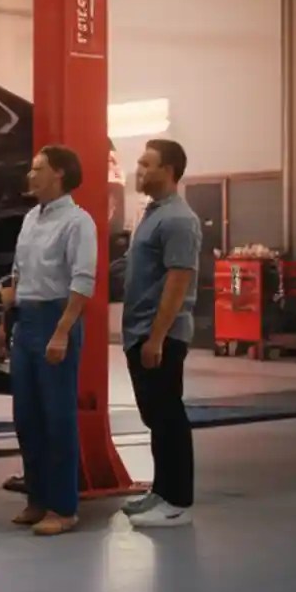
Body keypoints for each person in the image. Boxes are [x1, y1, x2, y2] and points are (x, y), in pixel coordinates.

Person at [0, 145, 97, 537]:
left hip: (56, 318)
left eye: (38, 168)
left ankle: (63, 507)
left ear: (60, 175)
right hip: (27, 321)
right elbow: (18, 276)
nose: (31, 175)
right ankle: (36, 499)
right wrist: (4, 326)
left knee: (57, 418)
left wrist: (62, 332)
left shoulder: (78, 223)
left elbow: (83, 282)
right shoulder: (31, 219)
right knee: (27, 417)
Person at [120, 138, 201, 528]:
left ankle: (178, 503)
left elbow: (177, 282)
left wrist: (156, 337)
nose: (138, 169)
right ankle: (162, 491)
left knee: (169, 416)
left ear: (167, 171)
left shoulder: (178, 220)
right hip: (141, 333)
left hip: (160, 335)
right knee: (156, 417)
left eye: (145, 163)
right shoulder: (151, 214)